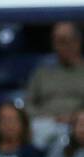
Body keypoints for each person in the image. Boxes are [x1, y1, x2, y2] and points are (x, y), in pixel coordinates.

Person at [26, 21, 84, 149]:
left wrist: (75, 117)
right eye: (56, 42)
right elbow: (28, 104)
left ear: (77, 42)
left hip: (76, 125)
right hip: (45, 123)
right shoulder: (42, 72)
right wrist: (44, 116)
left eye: (64, 41)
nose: (59, 47)